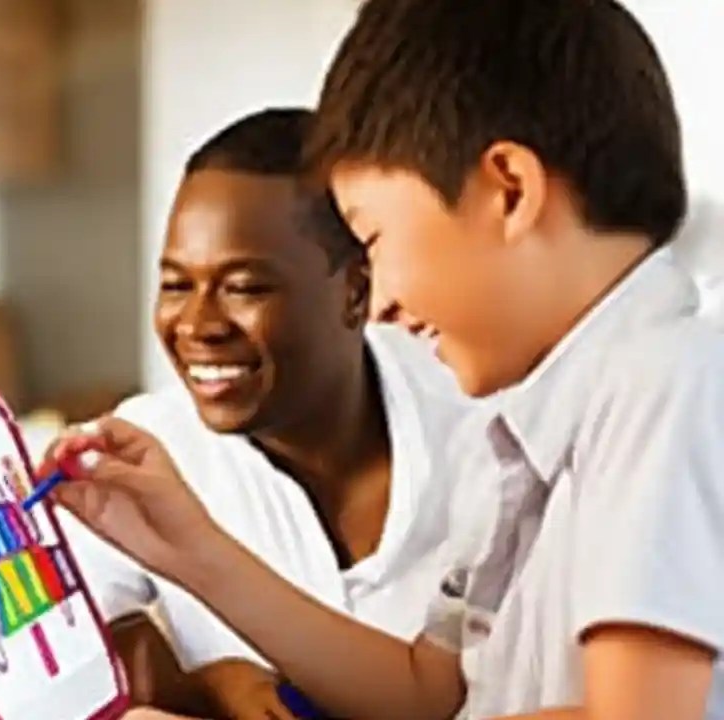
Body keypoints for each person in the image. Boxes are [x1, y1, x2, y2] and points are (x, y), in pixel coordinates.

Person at [48, 0, 724, 718]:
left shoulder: (666, 380)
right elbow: (429, 693)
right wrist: (192, 550)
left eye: (372, 242)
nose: (381, 305)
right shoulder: (526, 431)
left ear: (511, 191)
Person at [0, 108, 474, 719]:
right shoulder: (150, 450)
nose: (197, 326)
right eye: (175, 285)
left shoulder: (476, 433)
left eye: (245, 287)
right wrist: (196, 685)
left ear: (356, 289)